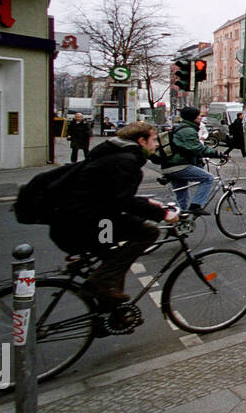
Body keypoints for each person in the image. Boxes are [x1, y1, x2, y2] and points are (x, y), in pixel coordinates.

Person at [47, 121, 178, 312]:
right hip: (86, 223)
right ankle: (101, 286)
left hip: (78, 220)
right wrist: (163, 213)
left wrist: (148, 204)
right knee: (147, 232)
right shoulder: (126, 161)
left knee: (113, 255)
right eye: (154, 140)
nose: (157, 144)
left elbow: (110, 193)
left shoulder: (114, 154)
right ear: (141, 141)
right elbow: (121, 200)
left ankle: (109, 312)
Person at [161, 106, 223, 216]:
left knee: (182, 201)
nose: (200, 117)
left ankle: (180, 223)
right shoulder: (187, 130)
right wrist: (217, 153)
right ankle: (196, 206)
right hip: (178, 166)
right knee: (208, 178)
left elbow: (186, 149)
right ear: (193, 117)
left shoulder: (181, 128)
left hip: (171, 165)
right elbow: (197, 149)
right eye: (199, 115)